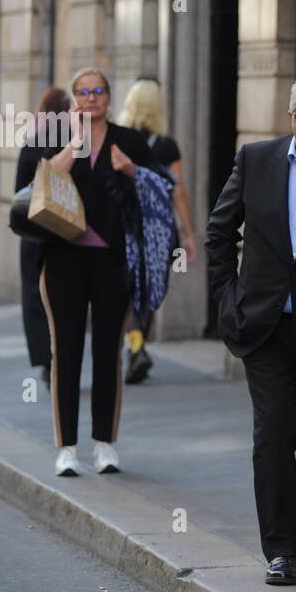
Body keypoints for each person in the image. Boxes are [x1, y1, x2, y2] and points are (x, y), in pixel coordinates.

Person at [206, 74, 296, 586]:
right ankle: (282, 549)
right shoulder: (256, 159)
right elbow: (220, 232)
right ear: (292, 116)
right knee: (273, 436)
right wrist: (229, 299)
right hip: (265, 326)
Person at [39, 68, 154, 477]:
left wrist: (132, 171)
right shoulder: (54, 136)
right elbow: (40, 181)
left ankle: (104, 443)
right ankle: (66, 447)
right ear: (74, 98)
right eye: (84, 92)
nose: (92, 98)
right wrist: (75, 142)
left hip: (112, 262)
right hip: (63, 259)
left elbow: (157, 188)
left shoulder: (130, 140)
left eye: (99, 90)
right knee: (66, 352)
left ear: (109, 95)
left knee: (108, 352)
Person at [116, 78, 196, 384]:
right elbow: (178, 190)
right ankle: (137, 346)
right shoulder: (166, 145)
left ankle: (135, 346)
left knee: (127, 289)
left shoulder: (117, 141)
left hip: (124, 225)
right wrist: (188, 233)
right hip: (159, 229)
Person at [15, 87, 72, 385]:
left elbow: (19, 193)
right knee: (65, 297)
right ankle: (64, 356)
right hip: (67, 231)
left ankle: (46, 359)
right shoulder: (76, 144)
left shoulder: (33, 142)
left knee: (34, 294)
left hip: (35, 231)